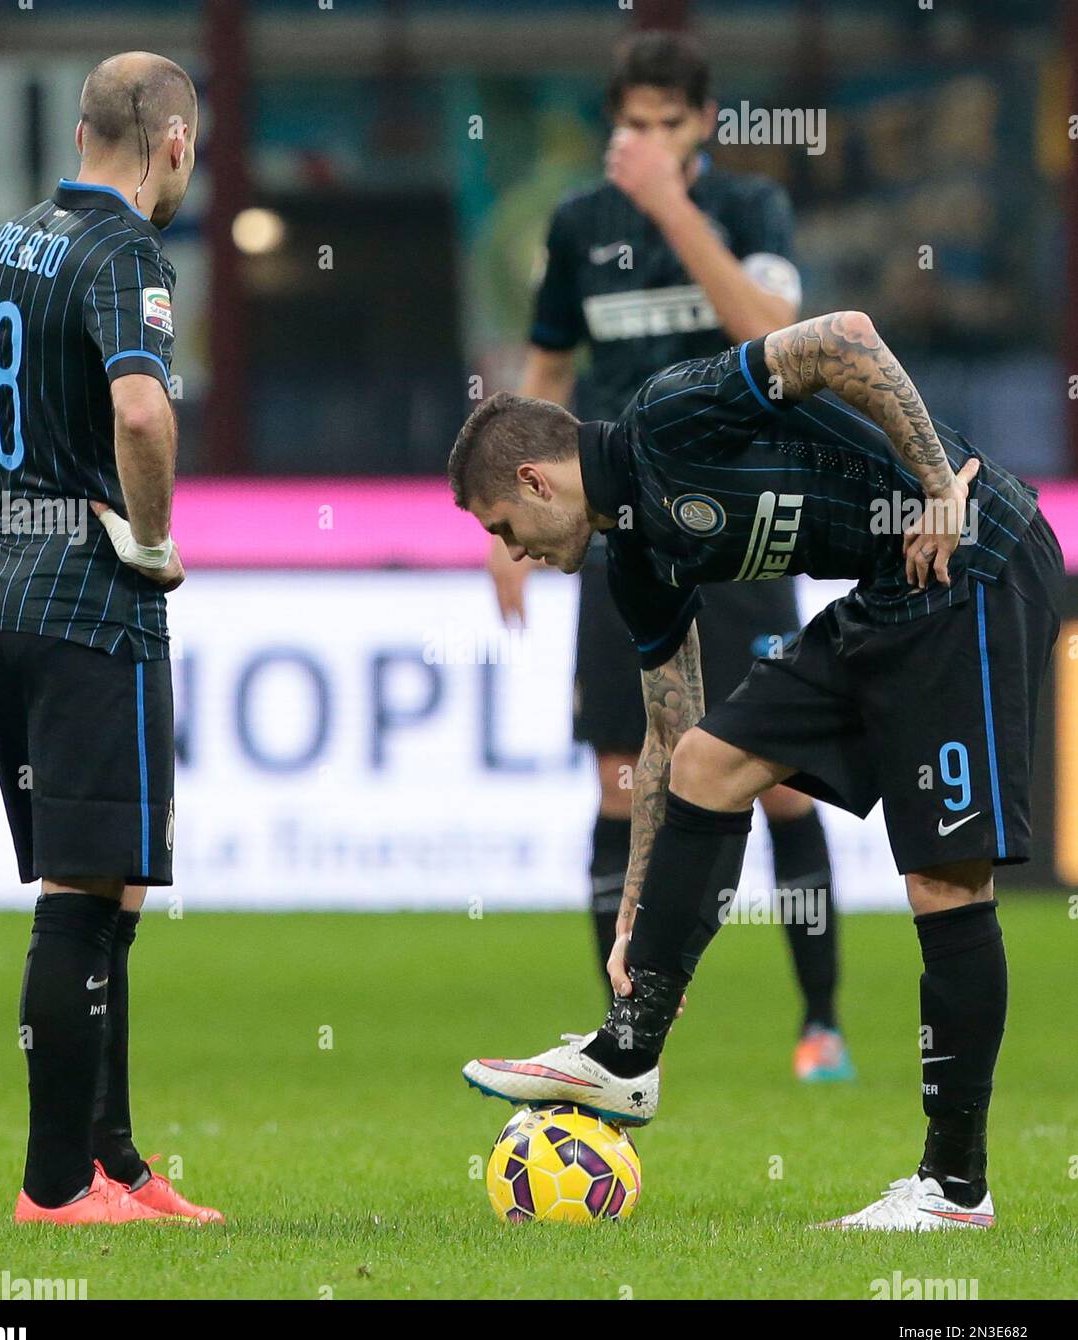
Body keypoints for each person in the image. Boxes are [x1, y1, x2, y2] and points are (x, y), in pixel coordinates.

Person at [449, 309, 1061, 1231]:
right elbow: (662, 748)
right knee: (707, 762)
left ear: (536, 478)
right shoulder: (638, 559)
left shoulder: (668, 416)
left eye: (504, 526)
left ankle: (954, 1189)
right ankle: (628, 1052)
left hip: (972, 559)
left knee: (942, 881)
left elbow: (843, 338)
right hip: (892, 591)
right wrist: (635, 927)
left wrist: (935, 485)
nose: (513, 553)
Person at [0, 52, 221, 1225]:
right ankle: (52, 1187)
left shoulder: (9, 241)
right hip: (90, 603)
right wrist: (153, 537)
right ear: (171, 143)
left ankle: (115, 1163)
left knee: (112, 884)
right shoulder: (129, 253)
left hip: (3, 594)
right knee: (82, 892)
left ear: (81, 129)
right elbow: (142, 406)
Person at [488, 31, 850, 1078]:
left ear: (702, 126)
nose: (645, 141)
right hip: (620, 537)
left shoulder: (747, 213)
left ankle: (819, 1025)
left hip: (745, 534)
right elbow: (548, 365)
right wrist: (514, 526)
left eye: (667, 123)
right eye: (630, 124)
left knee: (776, 781)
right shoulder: (576, 225)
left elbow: (778, 334)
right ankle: (620, 1013)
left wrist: (671, 206)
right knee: (622, 775)